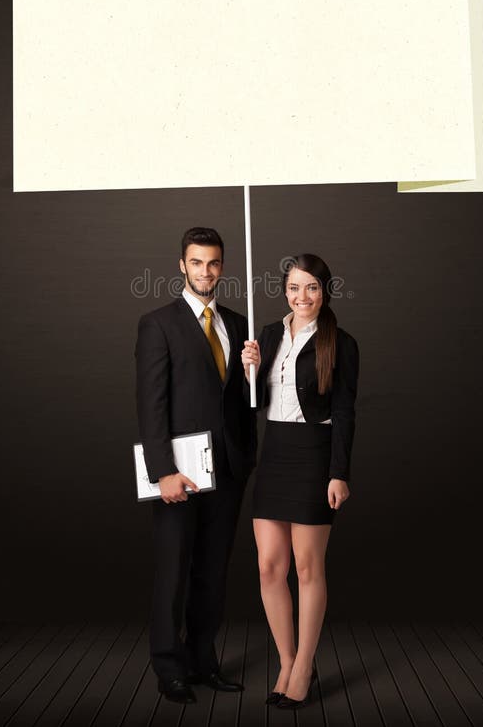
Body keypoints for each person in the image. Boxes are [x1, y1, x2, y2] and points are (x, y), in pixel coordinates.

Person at [136, 227, 257, 704]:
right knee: (173, 572)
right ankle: (170, 667)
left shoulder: (239, 324)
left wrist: (254, 372)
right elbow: (151, 403)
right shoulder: (157, 323)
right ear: (181, 265)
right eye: (196, 262)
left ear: (222, 267)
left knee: (213, 571)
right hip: (180, 472)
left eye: (214, 263)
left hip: (226, 469)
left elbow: (248, 402)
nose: (206, 271)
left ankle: (204, 660)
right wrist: (161, 469)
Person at [241, 253, 359, 710]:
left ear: (325, 290)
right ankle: (287, 661)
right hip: (274, 452)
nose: (302, 296)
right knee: (270, 566)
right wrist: (249, 369)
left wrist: (339, 472)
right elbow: (255, 402)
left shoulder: (340, 343)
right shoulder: (269, 335)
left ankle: (306, 663)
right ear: (284, 290)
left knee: (308, 568)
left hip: (314, 455)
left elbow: (346, 411)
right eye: (294, 287)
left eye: (311, 287)